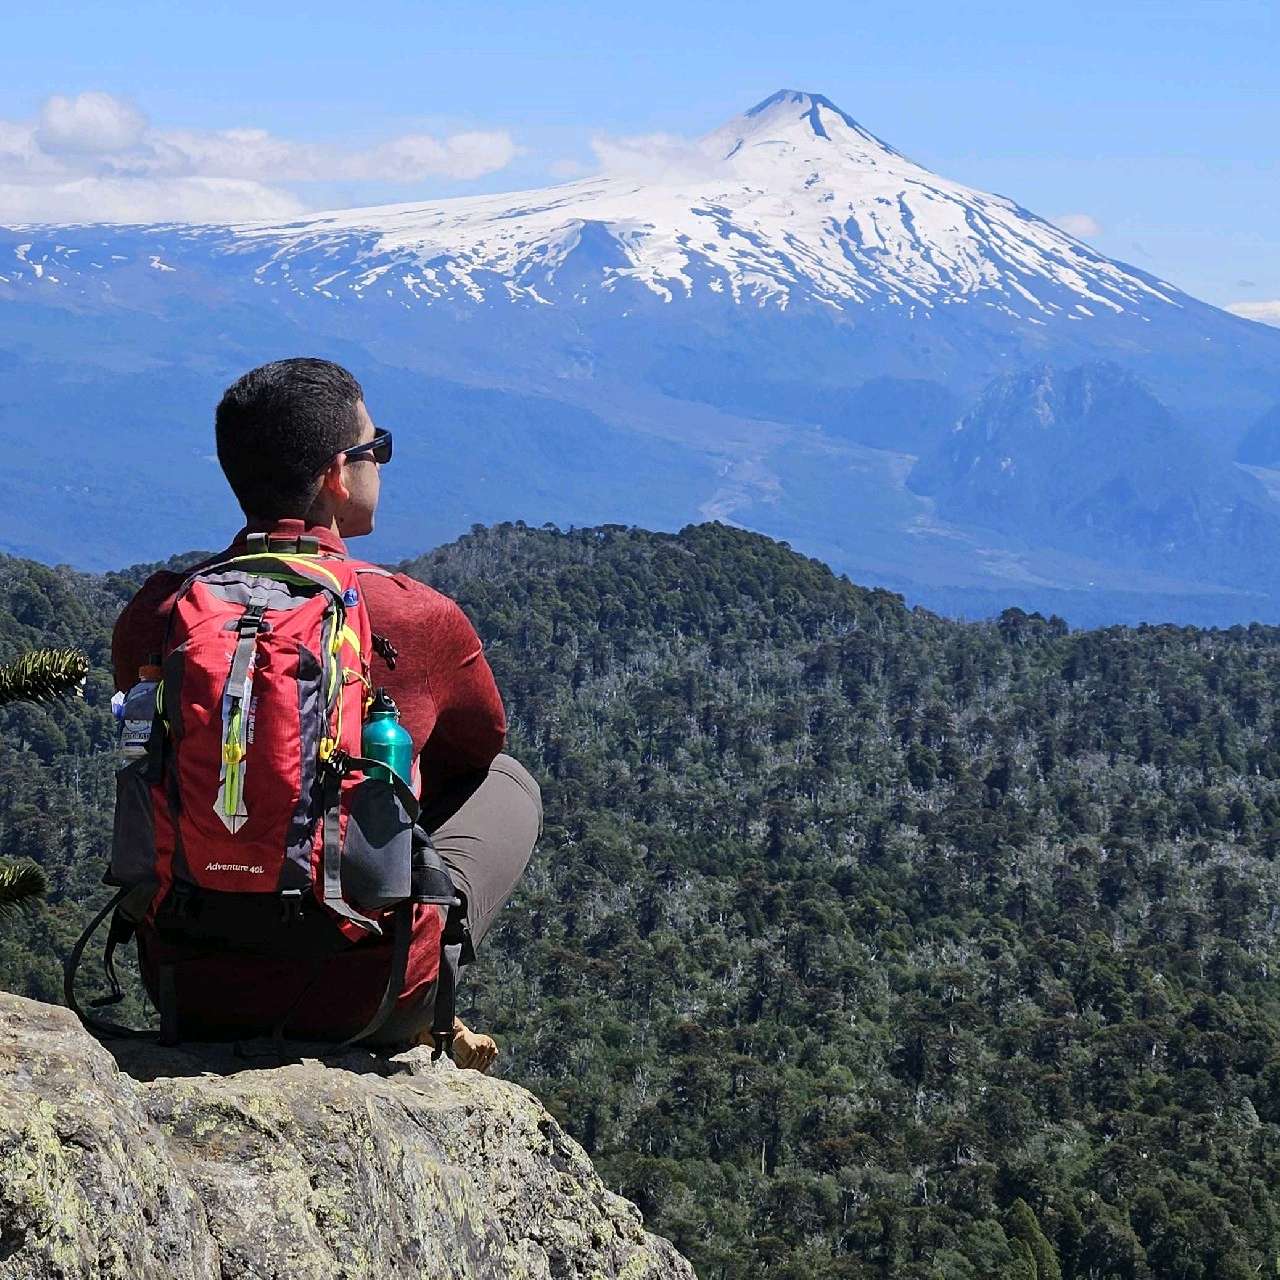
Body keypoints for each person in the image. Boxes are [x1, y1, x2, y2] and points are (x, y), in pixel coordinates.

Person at [111, 357, 540, 1068]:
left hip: (186, 984)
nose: (382, 464)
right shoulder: (412, 614)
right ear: (339, 475)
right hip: (366, 998)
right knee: (509, 780)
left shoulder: (160, 613)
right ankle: (427, 964)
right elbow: (476, 748)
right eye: (378, 450)